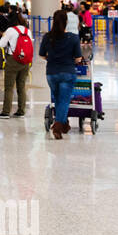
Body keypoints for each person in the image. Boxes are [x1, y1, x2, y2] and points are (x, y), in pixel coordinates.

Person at [40, 9, 83, 139]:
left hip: (51, 74)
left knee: (58, 99)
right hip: (67, 73)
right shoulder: (73, 38)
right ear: (66, 22)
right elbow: (78, 58)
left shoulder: (47, 37)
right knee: (64, 100)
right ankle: (58, 127)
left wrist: (52, 59)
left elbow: (42, 55)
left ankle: (64, 124)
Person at [0, 9, 33, 118]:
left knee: (9, 87)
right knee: (21, 87)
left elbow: (1, 44)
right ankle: (21, 111)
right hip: (25, 61)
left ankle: (6, 112)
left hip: (13, 60)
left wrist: (3, 37)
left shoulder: (10, 30)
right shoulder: (27, 31)